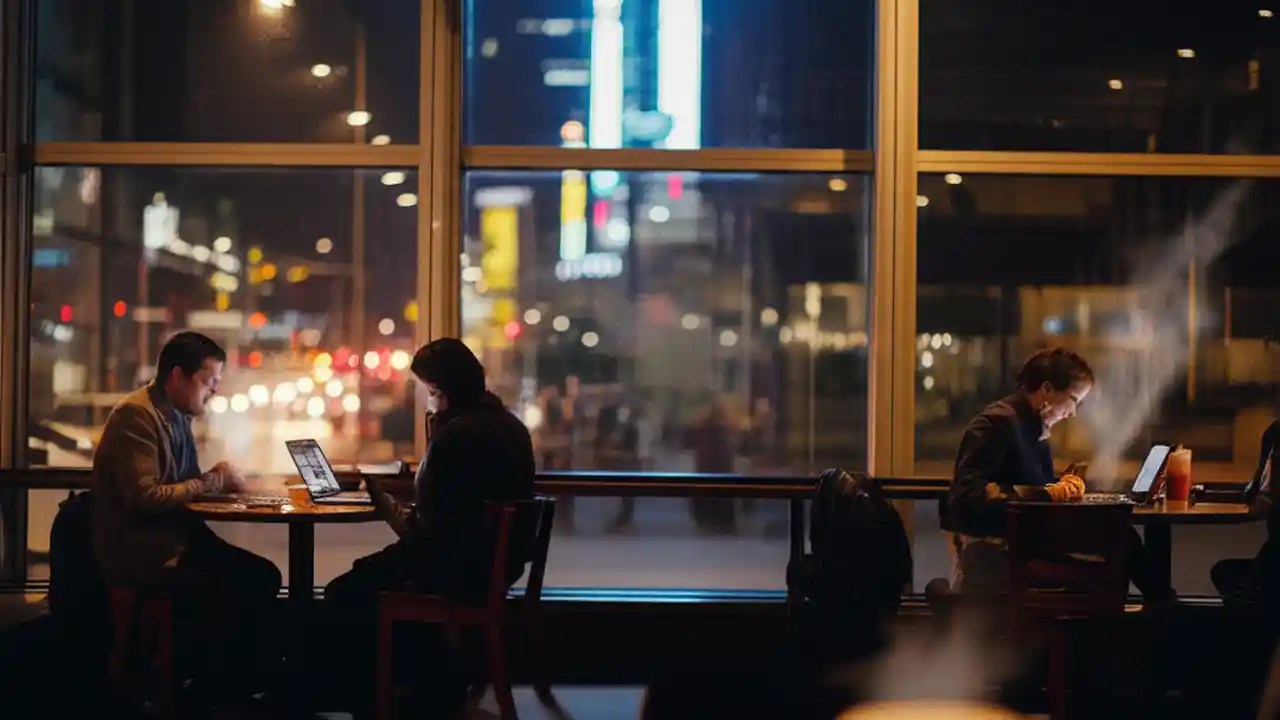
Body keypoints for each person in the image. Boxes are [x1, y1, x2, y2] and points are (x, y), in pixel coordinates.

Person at [323, 338, 535, 715]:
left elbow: (432, 534)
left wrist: (390, 509)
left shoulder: (454, 437)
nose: (425, 398)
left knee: (347, 589)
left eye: (426, 389)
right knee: (373, 576)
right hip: (494, 568)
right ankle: (420, 685)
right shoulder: (511, 428)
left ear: (438, 388)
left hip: (456, 568)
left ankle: (367, 695)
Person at [91, 331, 282, 699]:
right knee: (235, 586)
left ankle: (235, 680)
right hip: (144, 550)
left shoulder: (177, 415)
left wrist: (221, 482)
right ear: (177, 376)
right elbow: (146, 496)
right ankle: (206, 684)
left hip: (178, 540)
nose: (213, 391)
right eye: (208, 381)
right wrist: (211, 480)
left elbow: (189, 484)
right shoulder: (136, 416)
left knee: (263, 576)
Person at [944, 347, 1168, 601]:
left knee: (1120, 536)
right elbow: (966, 501)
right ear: (1047, 390)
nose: (1072, 413)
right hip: (1001, 549)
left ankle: (1155, 612)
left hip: (1024, 539)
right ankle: (1160, 613)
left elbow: (1035, 488)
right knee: (1121, 540)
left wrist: (1063, 488)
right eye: (1073, 401)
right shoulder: (997, 424)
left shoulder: (1031, 426)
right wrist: (1050, 493)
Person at [1210, 419, 1278, 614]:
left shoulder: (1276, 433)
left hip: (1273, 565)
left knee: (1226, 574)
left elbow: (1260, 497)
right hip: (1271, 560)